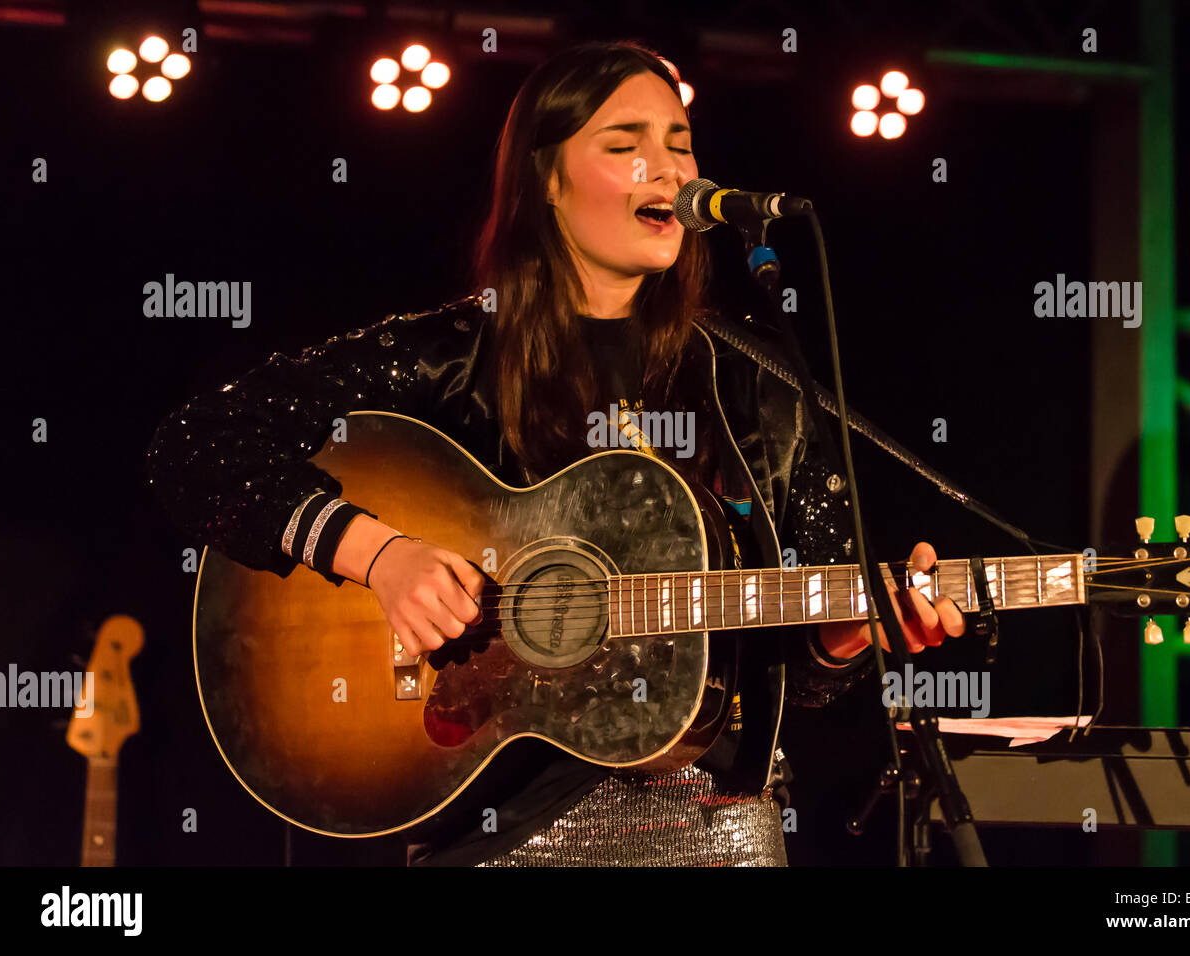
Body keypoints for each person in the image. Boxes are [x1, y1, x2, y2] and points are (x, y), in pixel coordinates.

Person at [147, 40, 965, 867]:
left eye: (679, 143)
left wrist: (852, 636)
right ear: (547, 178)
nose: (668, 168)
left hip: (717, 826)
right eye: (625, 145)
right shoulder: (454, 354)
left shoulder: (750, 377)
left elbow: (803, 669)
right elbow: (199, 445)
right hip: (504, 826)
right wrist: (381, 555)